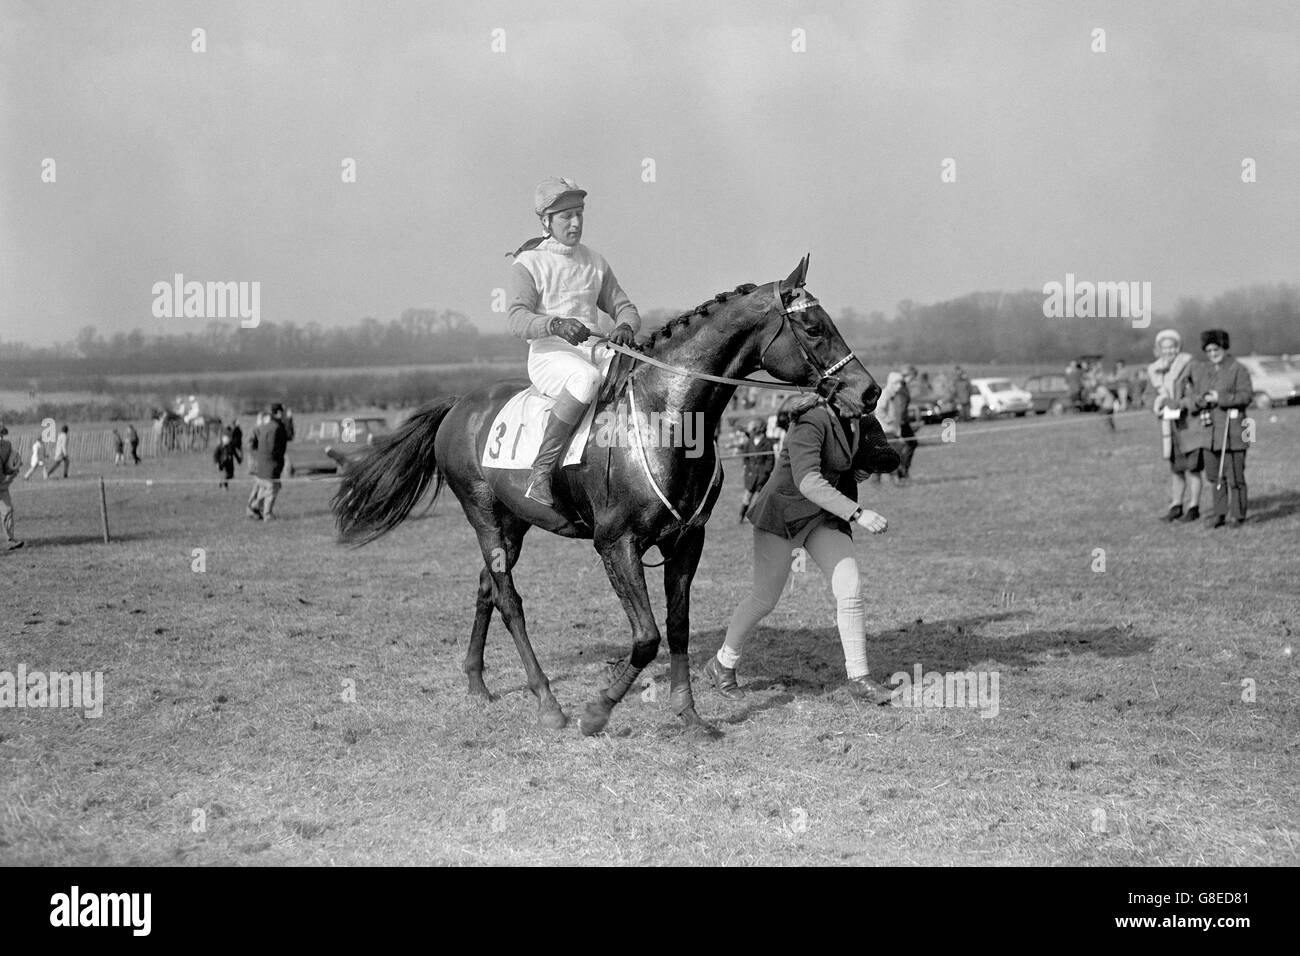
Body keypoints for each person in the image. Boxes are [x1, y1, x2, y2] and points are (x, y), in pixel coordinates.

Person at [704, 394, 902, 704]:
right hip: (785, 514)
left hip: (824, 517)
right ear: (837, 393)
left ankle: (860, 678)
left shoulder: (861, 421)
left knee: (850, 589)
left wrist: (866, 466)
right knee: (764, 600)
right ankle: (722, 662)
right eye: (859, 395)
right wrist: (859, 513)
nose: (866, 402)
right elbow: (808, 481)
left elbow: (869, 458)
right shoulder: (811, 421)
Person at [507, 176, 642, 506]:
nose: (576, 222)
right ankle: (541, 471)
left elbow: (624, 306)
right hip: (550, 355)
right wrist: (554, 324)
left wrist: (625, 326)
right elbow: (516, 319)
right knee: (586, 378)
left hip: (595, 350)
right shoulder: (528, 263)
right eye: (567, 215)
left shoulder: (595, 261)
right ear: (545, 221)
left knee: (640, 373)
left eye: (579, 213)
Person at [1184, 329, 1252, 528]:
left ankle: (1238, 515)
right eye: (1209, 350)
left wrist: (1220, 399)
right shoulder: (1203, 371)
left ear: (1224, 347)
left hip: (1234, 432)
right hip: (1210, 435)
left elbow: (1246, 396)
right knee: (1215, 476)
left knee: (1236, 477)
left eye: (1216, 349)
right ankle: (1220, 513)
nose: (1213, 353)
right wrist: (1201, 400)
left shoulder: (1238, 369)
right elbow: (1194, 396)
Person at [1147, 329, 1202, 522]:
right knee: (1176, 468)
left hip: (1189, 424)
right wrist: (1157, 405)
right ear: (1159, 350)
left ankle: (1194, 506)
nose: (1169, 351)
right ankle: (1176, 505)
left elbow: (1198, 393)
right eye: (1165, 348)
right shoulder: (1154, 370)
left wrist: (1182, 404)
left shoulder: (1190, 365)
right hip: (1169, 427)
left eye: (1172, 347)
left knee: (1193, 467)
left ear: (1178, 348)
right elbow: (1149, 395)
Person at [247, 404, 291, 521]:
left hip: (263, 463)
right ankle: (266, 514)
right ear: (278, 413)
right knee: (272, 488)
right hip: (271, 464)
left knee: (270, 487)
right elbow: (272, 447)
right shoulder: (276, 427)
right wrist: (278, 459)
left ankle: (255, 507)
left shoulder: (265, 427)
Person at [737, 420, 775, 523]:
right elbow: (745, 457)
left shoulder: (767, 443)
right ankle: (741, 515)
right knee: (747, 497)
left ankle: (754, 517)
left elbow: (770, 460)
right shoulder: (750, 442)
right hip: (751, 475)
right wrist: (747, 468)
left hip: (762, 476)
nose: (752, 432)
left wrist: (765, 472)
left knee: (759, 498)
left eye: (754, 429)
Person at [0, 425, 23, 551]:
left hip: (1, 485)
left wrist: (15, 465)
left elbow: (8, 466)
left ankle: (10, 540)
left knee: (8, 510)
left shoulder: (6, 446)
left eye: (1, 434)